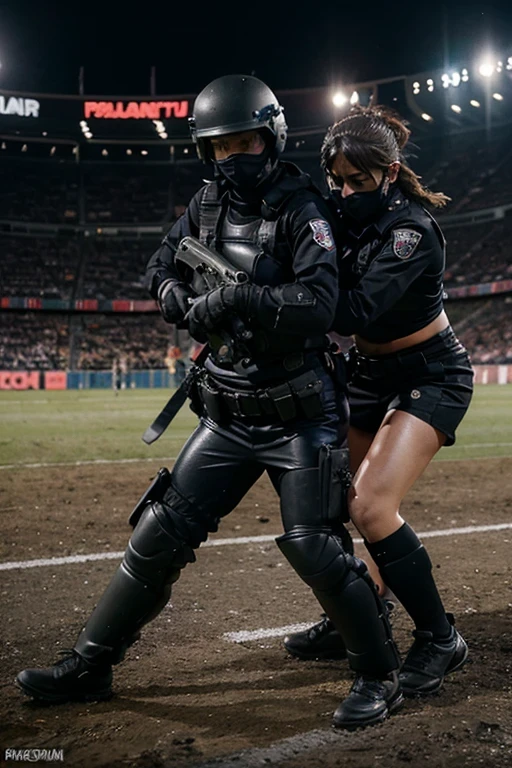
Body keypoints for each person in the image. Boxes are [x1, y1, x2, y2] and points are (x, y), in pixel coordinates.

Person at [16, 78, 403, 729]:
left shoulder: (304, 209)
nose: (232, 157)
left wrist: (237, 296)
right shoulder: (204, 203)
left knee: (315, 545)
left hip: (300, 413)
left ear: (271, 138)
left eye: (244, 142)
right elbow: (160, 262)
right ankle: (91, 663)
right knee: (158, 533)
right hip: (226, 409)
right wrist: (170, 291)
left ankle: (380, 674)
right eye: (220, 146)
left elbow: (320, 306)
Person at [284, 105, 474, 698]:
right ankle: (361, 613)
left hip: (431, 373)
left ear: (390, 173)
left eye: (357, 180)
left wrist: (277, 299)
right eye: (337, 180)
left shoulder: (411, 231)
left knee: (371, 506)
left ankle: (441, 638)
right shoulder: (341, 213)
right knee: (330, 499)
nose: (344, 192)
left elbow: (353, 311)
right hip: (367, 374)